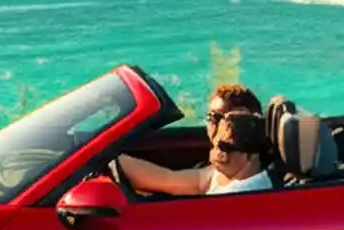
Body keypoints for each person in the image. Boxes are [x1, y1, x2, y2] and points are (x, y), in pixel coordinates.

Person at [116, 84, 272, 196]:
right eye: (209, 117)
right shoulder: (223, 174)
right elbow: (167, 179)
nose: (212, 124)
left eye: (218, 117)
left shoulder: (244, 193)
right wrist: (106, 157)